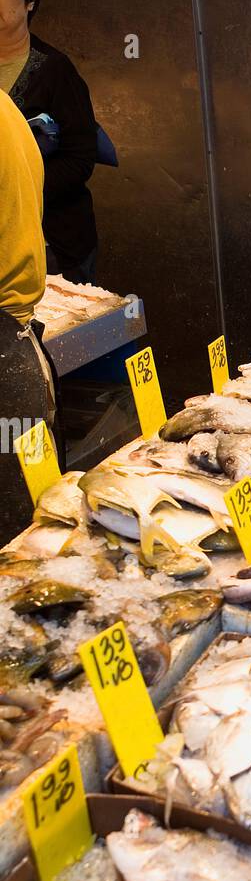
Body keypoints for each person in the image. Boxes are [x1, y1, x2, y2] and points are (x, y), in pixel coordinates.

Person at [0, 0, 98, 282]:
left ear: (29, 1)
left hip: (52, 246)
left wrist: (17, 189)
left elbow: (79, 159)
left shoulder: (55, 70)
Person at [0, 87, 56, 545]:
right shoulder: (5, 106)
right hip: (19, 353)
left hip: (5, 357)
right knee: (34, 525)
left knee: (17, 537)